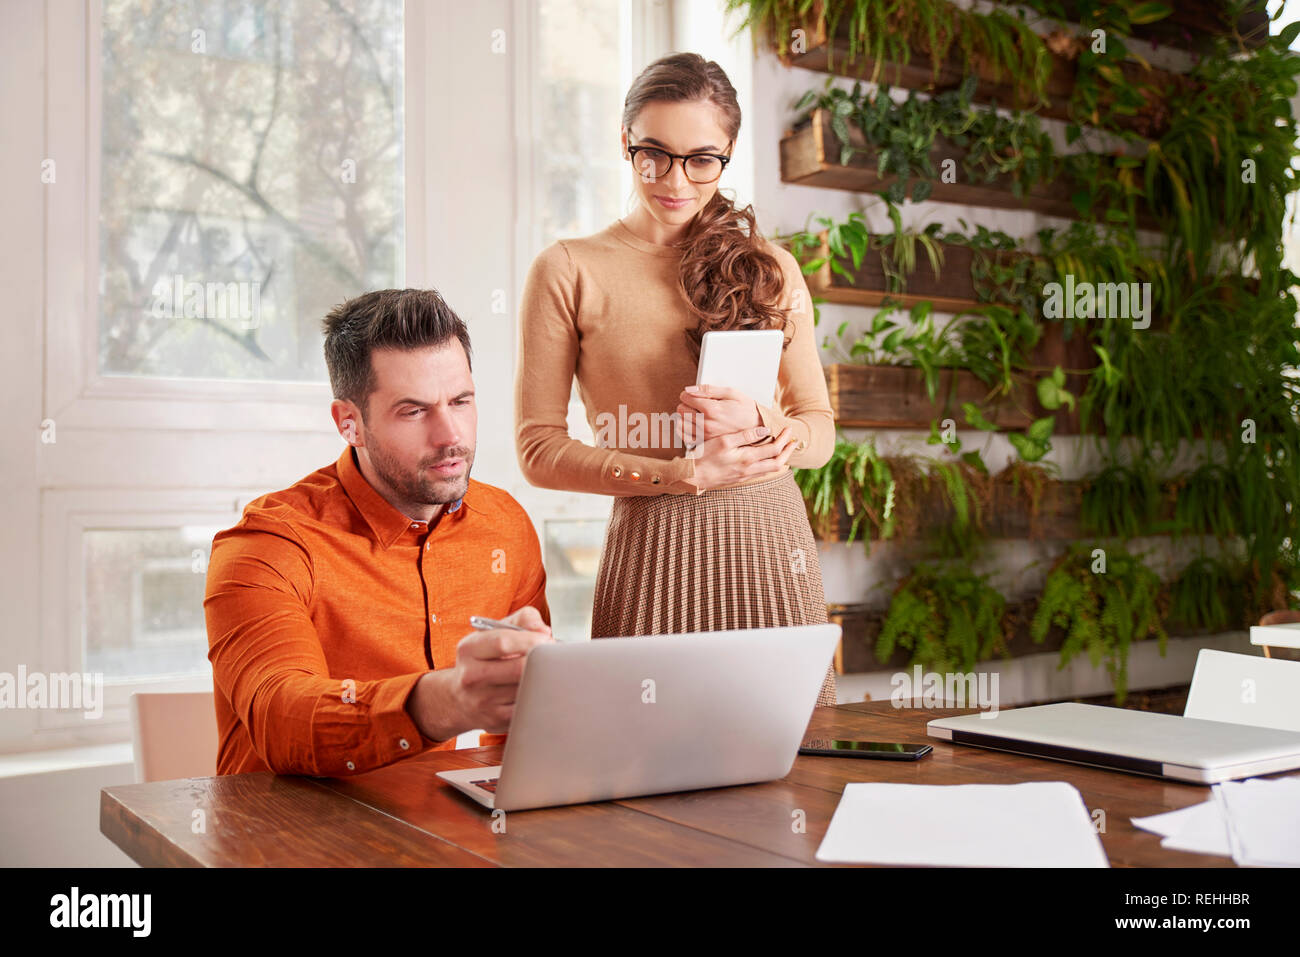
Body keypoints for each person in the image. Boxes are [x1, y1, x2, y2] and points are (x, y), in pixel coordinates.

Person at [515, 52, 838, 704]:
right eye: (653, 154)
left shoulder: (770, 267)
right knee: (641, 776)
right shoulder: (569, 269)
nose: (675, 180)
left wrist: (764, 423)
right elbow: (539, 450)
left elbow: (820, 430)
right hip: (651, 555)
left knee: (797, 769)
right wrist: (680, 475)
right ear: (625, 141)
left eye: (701, 159)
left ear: (728, 154)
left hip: (772, 550)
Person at [205, 289, 553, 776]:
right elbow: (281, 719)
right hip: (291, 841)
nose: (450, 434)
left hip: (444, 833)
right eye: (413, 411)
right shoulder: (268, 544)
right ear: (350, 423)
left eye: (461, 400)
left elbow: (520, 718)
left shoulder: (504, 524)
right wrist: (447, 700)